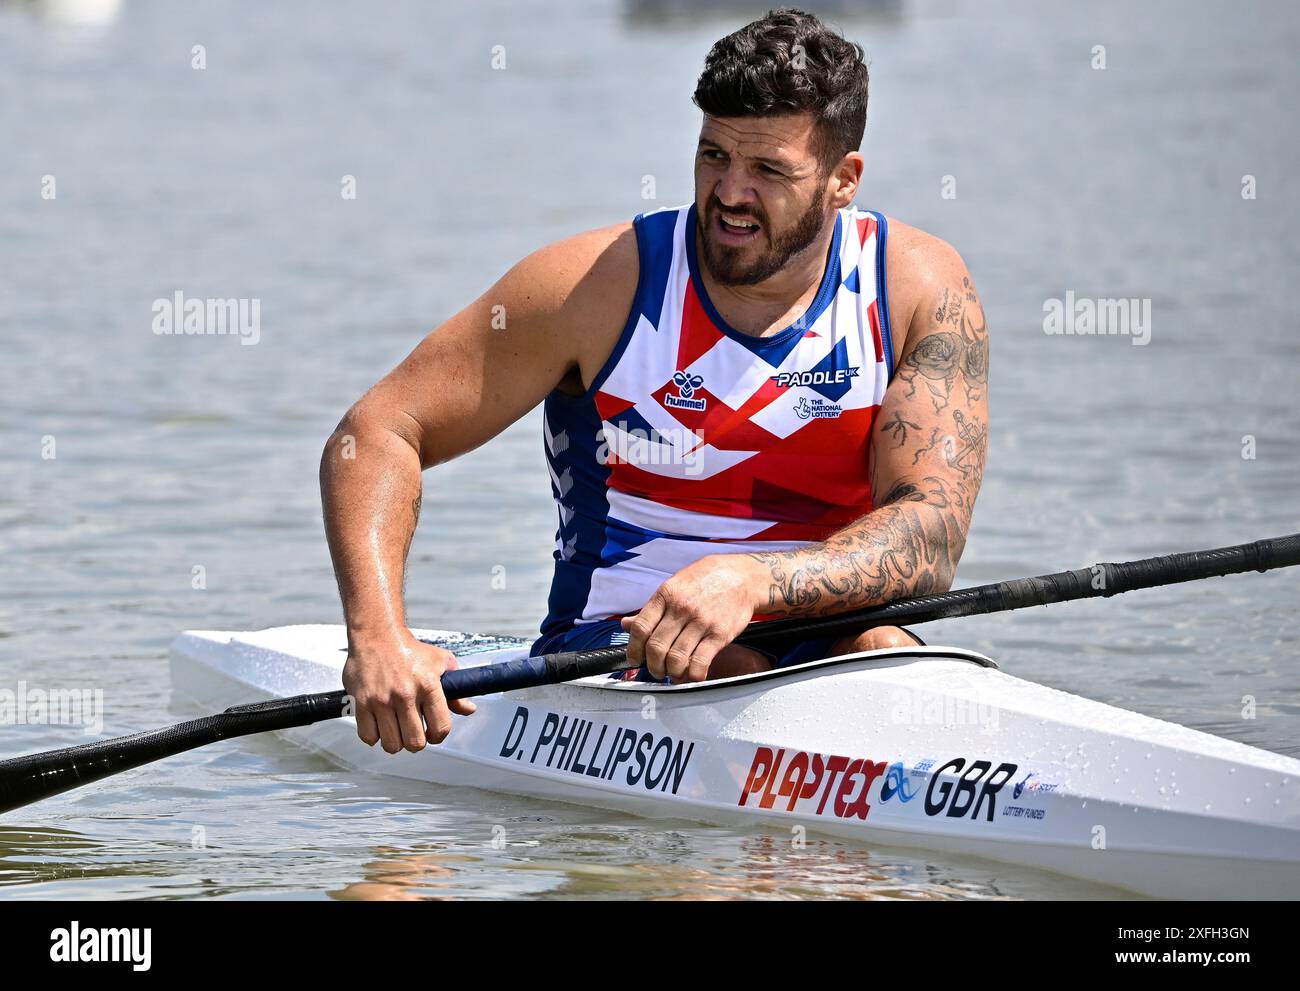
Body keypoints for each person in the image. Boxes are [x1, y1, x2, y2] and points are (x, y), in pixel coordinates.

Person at [320, 8, 988, 755]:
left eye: (768, 170)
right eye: (712, 156)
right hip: (621, 646)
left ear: (843, 180)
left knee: (884, 650)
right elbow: (377, 431)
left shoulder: (918, 286)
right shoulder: (595, 285)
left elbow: (930, 537)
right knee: (726, 664)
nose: (730, 193)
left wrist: (755, 582)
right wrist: (378, 637)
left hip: (833, 632)